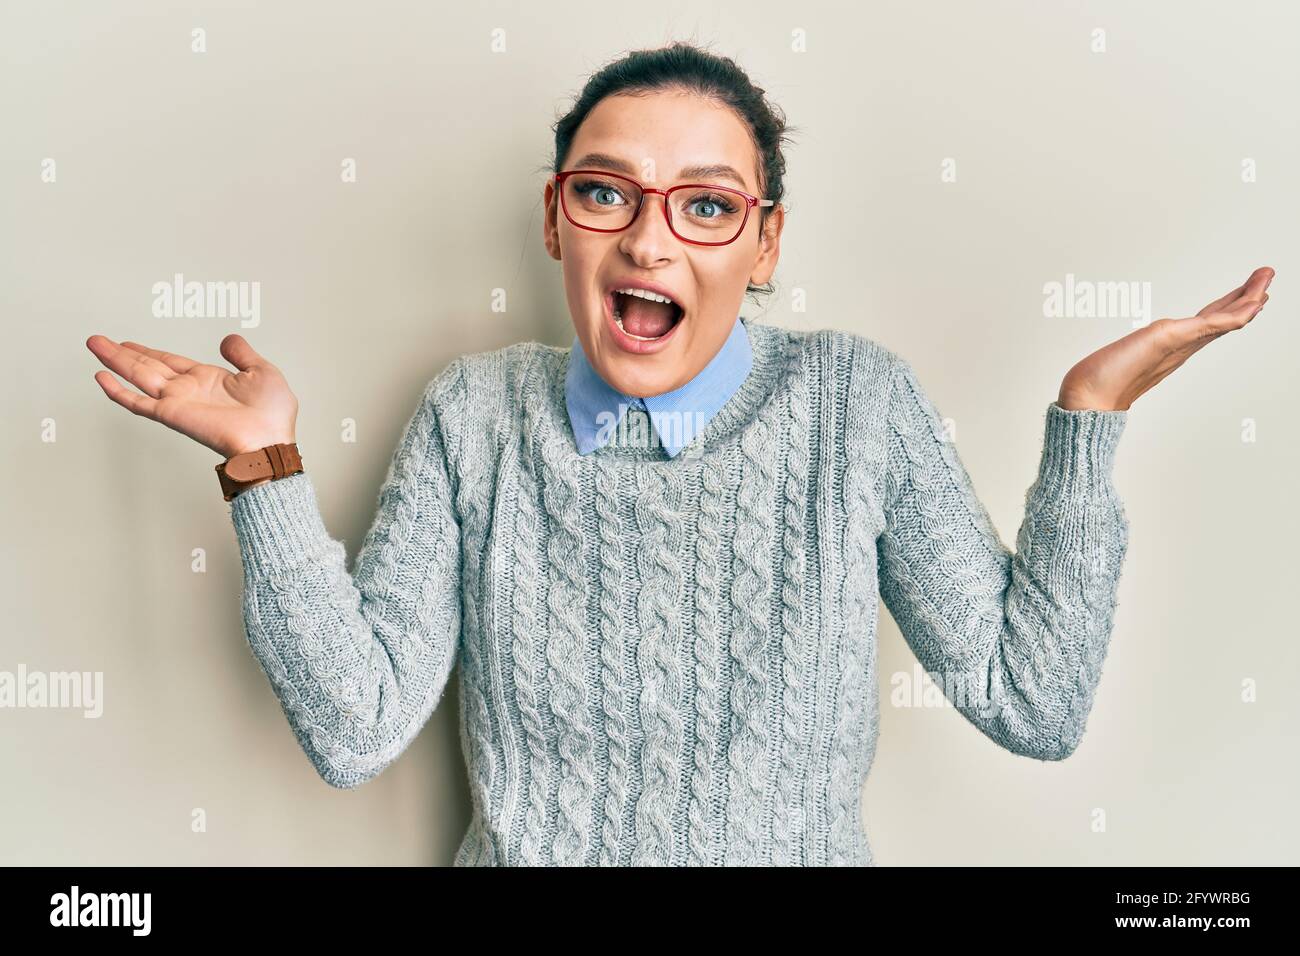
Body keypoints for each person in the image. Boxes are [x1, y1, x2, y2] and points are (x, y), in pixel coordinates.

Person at [85, 41, 1273, 866]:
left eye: (706, 206)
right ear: (556, 216)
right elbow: (355, 732)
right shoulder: (473, 416)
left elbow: (1034, 703)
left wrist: (1088, 416)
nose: (651, 239)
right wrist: (264, 467)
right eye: (608, 194)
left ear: (764, 246)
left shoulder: (852, 403)